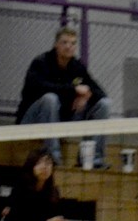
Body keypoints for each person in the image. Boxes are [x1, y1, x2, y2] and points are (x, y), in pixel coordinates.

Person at [17, 26, 111, 167]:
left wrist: (85, 96)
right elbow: (39, 88)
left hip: (62, 118)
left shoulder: (77, 66)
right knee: (50, 98)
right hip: (32, 118)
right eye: (65, 42)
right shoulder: (41, 62)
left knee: (104, 104)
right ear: (56, 44)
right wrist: (74, 90)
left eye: (73, 43)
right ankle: (53, 158)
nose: (69, 47)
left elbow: (99, 91)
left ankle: (92, 159)